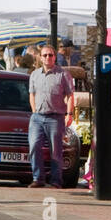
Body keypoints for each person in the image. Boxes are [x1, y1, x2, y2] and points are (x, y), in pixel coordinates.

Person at [27, 45, 75, 189]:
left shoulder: (63, 74)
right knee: (34, 146)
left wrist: (69, 114)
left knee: (56, 151)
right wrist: (34, 110)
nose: (48, 57)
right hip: (37, 118)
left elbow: (70, 96)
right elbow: (32, 94)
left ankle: (55, 181)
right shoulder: (34, 75)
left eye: (51, 55)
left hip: (55, 118)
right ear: (40, 58)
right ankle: (38, 178)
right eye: (45, 55)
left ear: (55, 56)